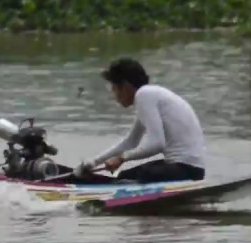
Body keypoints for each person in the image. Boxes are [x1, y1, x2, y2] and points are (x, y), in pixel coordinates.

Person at [77, 57, 207, 184]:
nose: (113, 93)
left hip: (187, 169)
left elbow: (156, 144)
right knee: (123, 176)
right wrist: (93, 163)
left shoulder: (144, 95)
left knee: (143, 173)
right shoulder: (149, 95)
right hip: (188, 169)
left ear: (126, 86)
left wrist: (122, 158)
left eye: (114, 87)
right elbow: (130, 142)